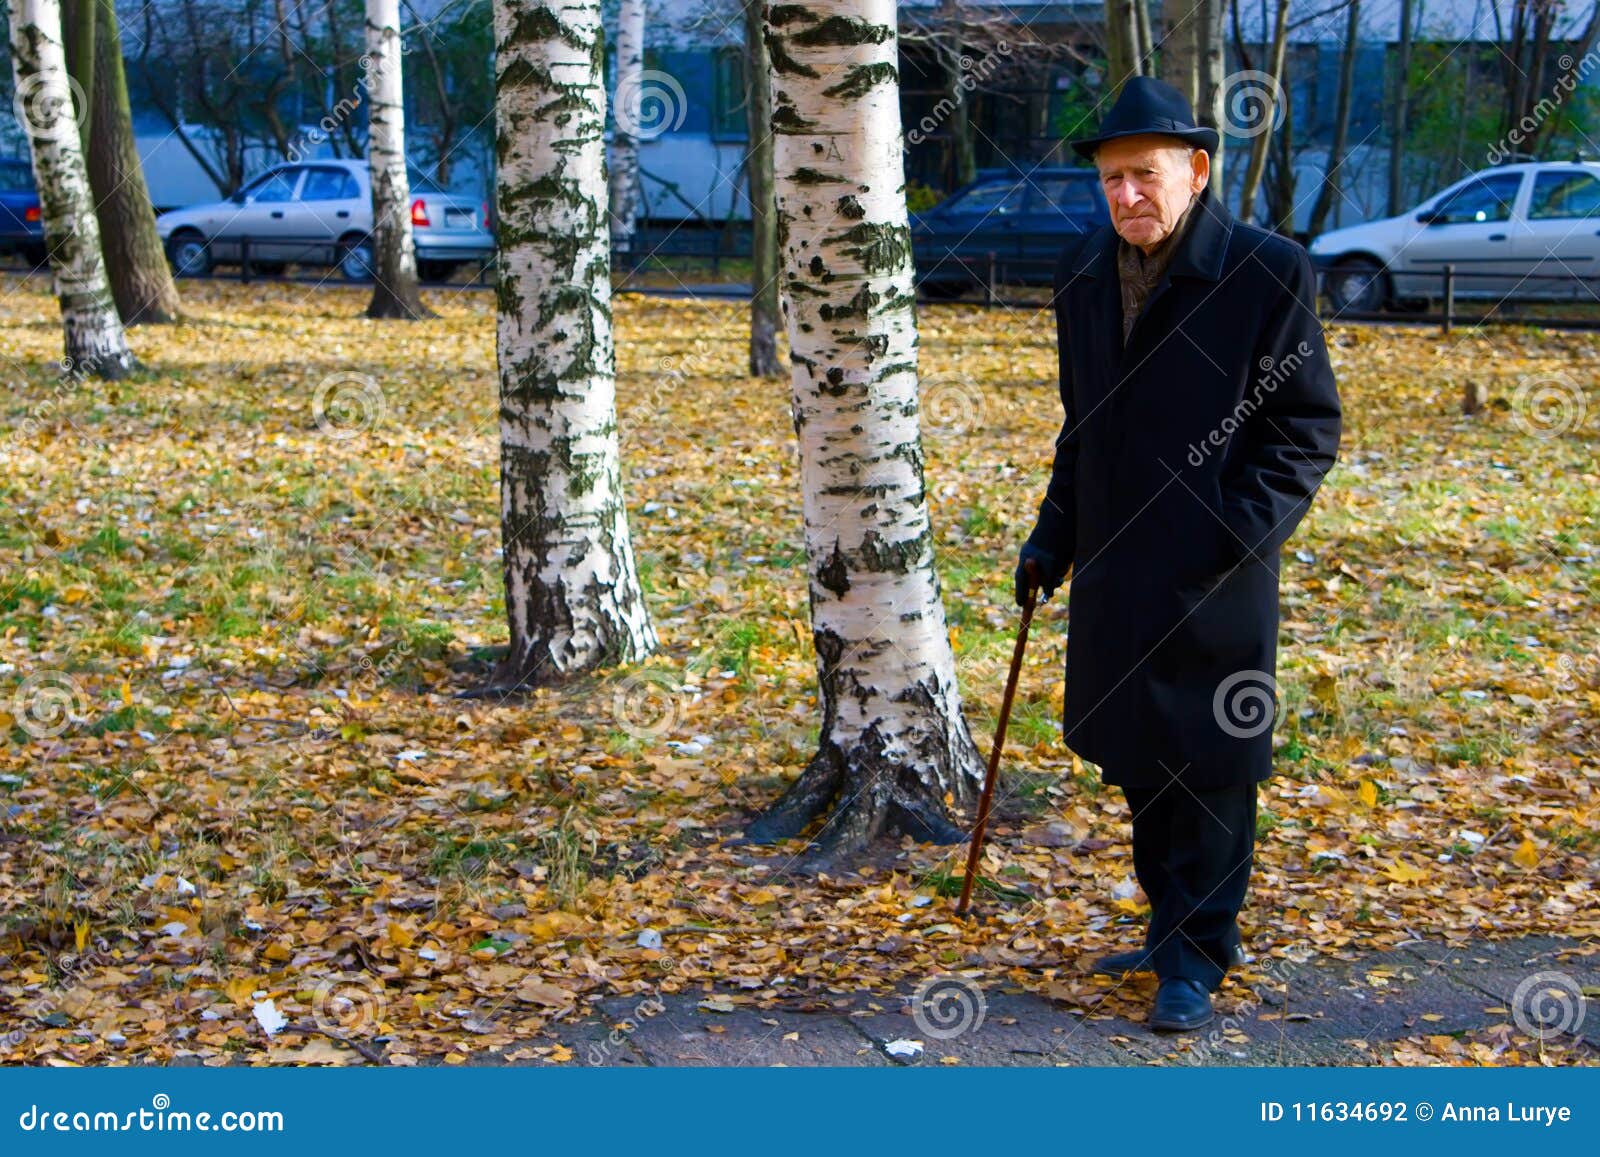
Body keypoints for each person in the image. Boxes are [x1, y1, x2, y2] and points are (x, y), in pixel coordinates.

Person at [1016, 77, 1342, 1032]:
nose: (1126, 196)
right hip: (1117, 567)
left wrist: (1233, 531)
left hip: (1214, 573)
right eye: (1111, 178)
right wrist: (1052, 536)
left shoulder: (1264, 270)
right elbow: (1082, 427)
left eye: (1144, 176)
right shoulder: (1084, 273)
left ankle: (1198, 956)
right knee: (1139, 758)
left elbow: (1305, 428)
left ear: (1196, 171)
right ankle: (1171, 930)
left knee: (1211, 765)